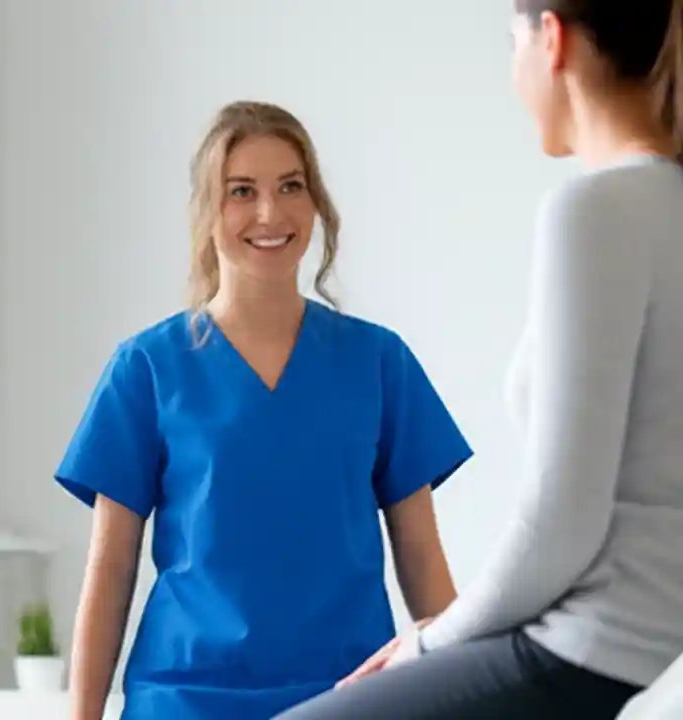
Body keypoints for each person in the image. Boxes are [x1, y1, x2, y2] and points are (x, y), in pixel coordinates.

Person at [278, 1, 683, 719]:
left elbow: (561, 523)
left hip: (589, 650)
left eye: (510, 42)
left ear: (550, 39)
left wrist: (427, 645)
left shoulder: (596, 211)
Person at [56, 101, 474, 720]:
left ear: (316, 204)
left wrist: (463, 696)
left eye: (290, 187)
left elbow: (421, 555)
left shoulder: (378, 362)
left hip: (351, 695)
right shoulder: (146, 368)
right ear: (207, 209)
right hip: (186, 698)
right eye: (241, 191)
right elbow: (111, 567)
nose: (270, 213)